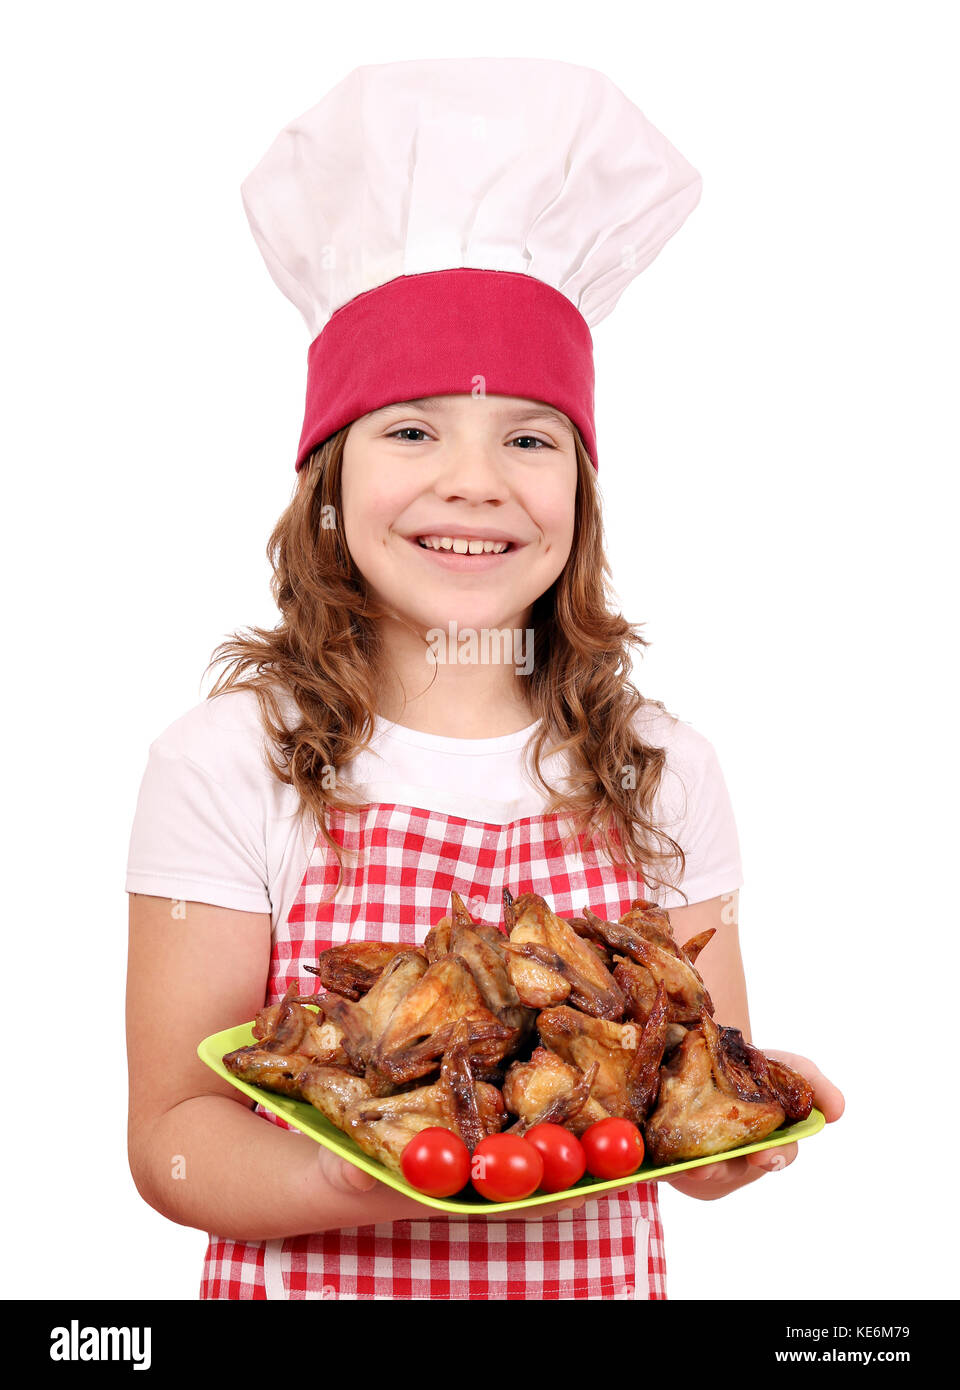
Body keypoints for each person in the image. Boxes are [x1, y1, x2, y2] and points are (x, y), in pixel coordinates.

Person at [125, 58, 843, 1301]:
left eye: (529, 436)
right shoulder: (227, 759)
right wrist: (358, 1169)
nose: (477, 479)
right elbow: (172, 1130)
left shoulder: (666, 773)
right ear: (329, 490)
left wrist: (749, 1128)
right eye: (412, 429)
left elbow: (682, 1110)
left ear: (580, 491)